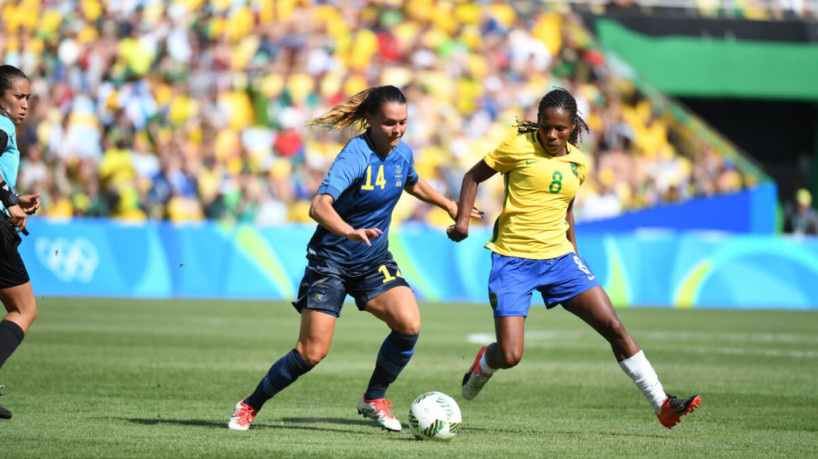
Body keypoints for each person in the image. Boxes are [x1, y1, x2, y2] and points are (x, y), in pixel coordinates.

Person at [228, 85, 482, 431]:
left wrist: (450, 205)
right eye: (389, 123)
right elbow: (318, 206)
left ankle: (373, 398)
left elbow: (412, 182)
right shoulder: (354, 156)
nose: (397, 129)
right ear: (369, 120)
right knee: (311, 353)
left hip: (371, 259)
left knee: (409, 324)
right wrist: (349, 231)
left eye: (403, 122)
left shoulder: (402, 152)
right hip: (331, 261)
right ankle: (249, 405)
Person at [446, 88, 700, 429]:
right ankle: (483, 365)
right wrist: (462, 221)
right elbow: (472, 177)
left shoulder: (579, 163)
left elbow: (566, 210)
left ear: (573, 127)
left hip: (561, 260)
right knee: (510, 355)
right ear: (537, 122)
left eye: (560, 129)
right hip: (513, 260)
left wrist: (575, 256)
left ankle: (663, 405)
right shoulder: (517, 148)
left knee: (613, 326)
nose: (551, 134)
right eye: (545, 126)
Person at [0, 65, 41, 420]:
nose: (25, 104)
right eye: (18, 96)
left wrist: (15, 196)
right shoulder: (2, 125)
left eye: (28, 97)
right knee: (24, 309)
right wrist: (9, 201)